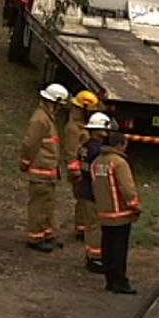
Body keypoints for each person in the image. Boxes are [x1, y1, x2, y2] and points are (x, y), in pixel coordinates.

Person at [20, 82, 69, 252]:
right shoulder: (40, 119)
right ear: (52, 102)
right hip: (40, 171)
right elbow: (30, 143)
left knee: (48, 204)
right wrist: (25, 161)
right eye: (59, 105)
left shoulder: (48, 118)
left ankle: (47, 233)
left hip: (48, 171)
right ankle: (35, 237)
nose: (59, 109)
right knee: (39, 205)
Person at [92, 130, 141, 294]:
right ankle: (120, 282)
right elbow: (127, 188)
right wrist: (135, 206)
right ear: (120, 145)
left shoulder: (97, 162)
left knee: (107, 247)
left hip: (104, 213)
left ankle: (110, 280)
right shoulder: (119, 163)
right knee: (119, 249)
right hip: (120, 214)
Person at [76, 112, 113, 273]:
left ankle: (93, 256)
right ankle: (95, 259)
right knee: (95, 227)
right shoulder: (97, 150)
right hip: (92, 192)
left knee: (92, 225)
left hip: (84, 188)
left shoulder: (85, 146)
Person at [63, 89, 101, 241]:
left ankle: (82, 227)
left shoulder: (83, 126)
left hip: (85, 170)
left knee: (84, 200)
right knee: (82, 199)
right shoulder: (73, 129)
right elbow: (71, 152)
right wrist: (76, 172)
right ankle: (81, 228)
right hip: (79, 171)